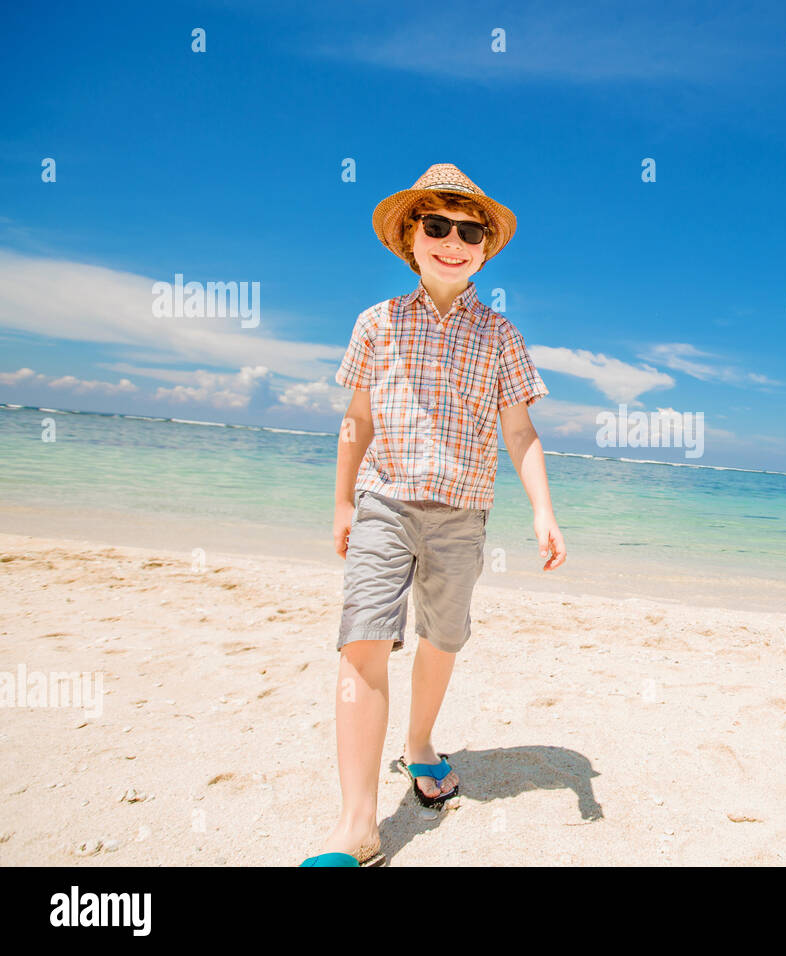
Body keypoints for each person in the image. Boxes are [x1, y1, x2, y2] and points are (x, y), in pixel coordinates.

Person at [300, 163, 566, 867]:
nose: (453, 240)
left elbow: (520, 433)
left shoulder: (501, 335)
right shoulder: (377, 323)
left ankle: (419, 745)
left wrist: (543, 509)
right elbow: (356, 421)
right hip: (383, 502)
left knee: (441, 639)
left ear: (485, 247)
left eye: (469, 230)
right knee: (362, 640)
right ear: (410, 236)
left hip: (462, 514)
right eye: (437, 225)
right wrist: (340, 503)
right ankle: (358, 824)